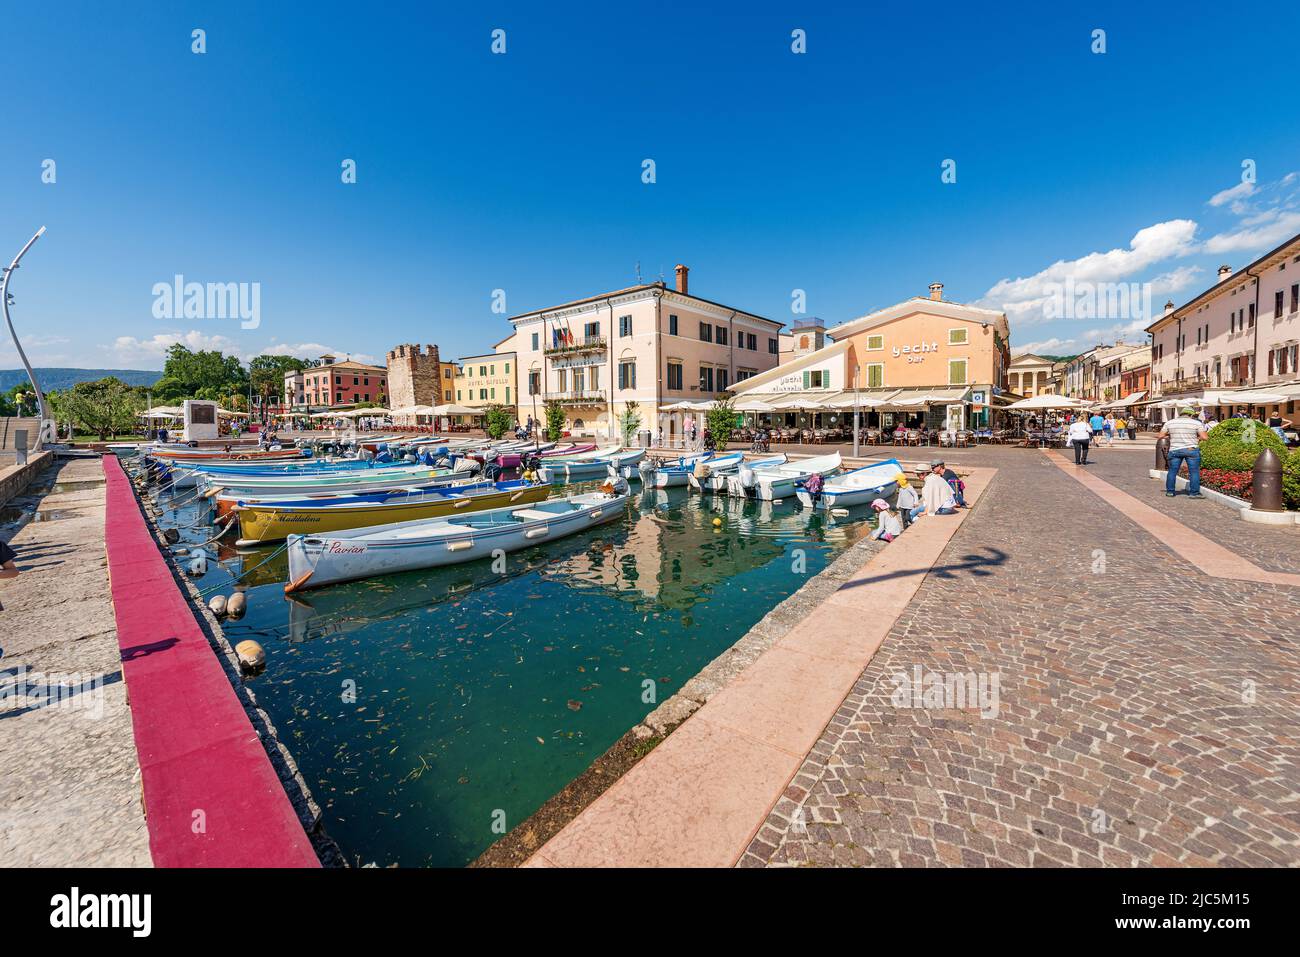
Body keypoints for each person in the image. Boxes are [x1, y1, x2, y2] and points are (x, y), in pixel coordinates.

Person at [1159, 406, 1208, 498]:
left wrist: (1171, 437)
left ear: (1181, 414)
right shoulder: (1196, 423)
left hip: (1174, 450)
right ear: (1191, 414)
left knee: (1172, 471)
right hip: (1191, 449)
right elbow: (1205, 437)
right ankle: (1194, 493)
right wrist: (1197, 438)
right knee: (1194, 472)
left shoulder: (1170, 422)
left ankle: (1170, 492)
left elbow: (1161, 436)